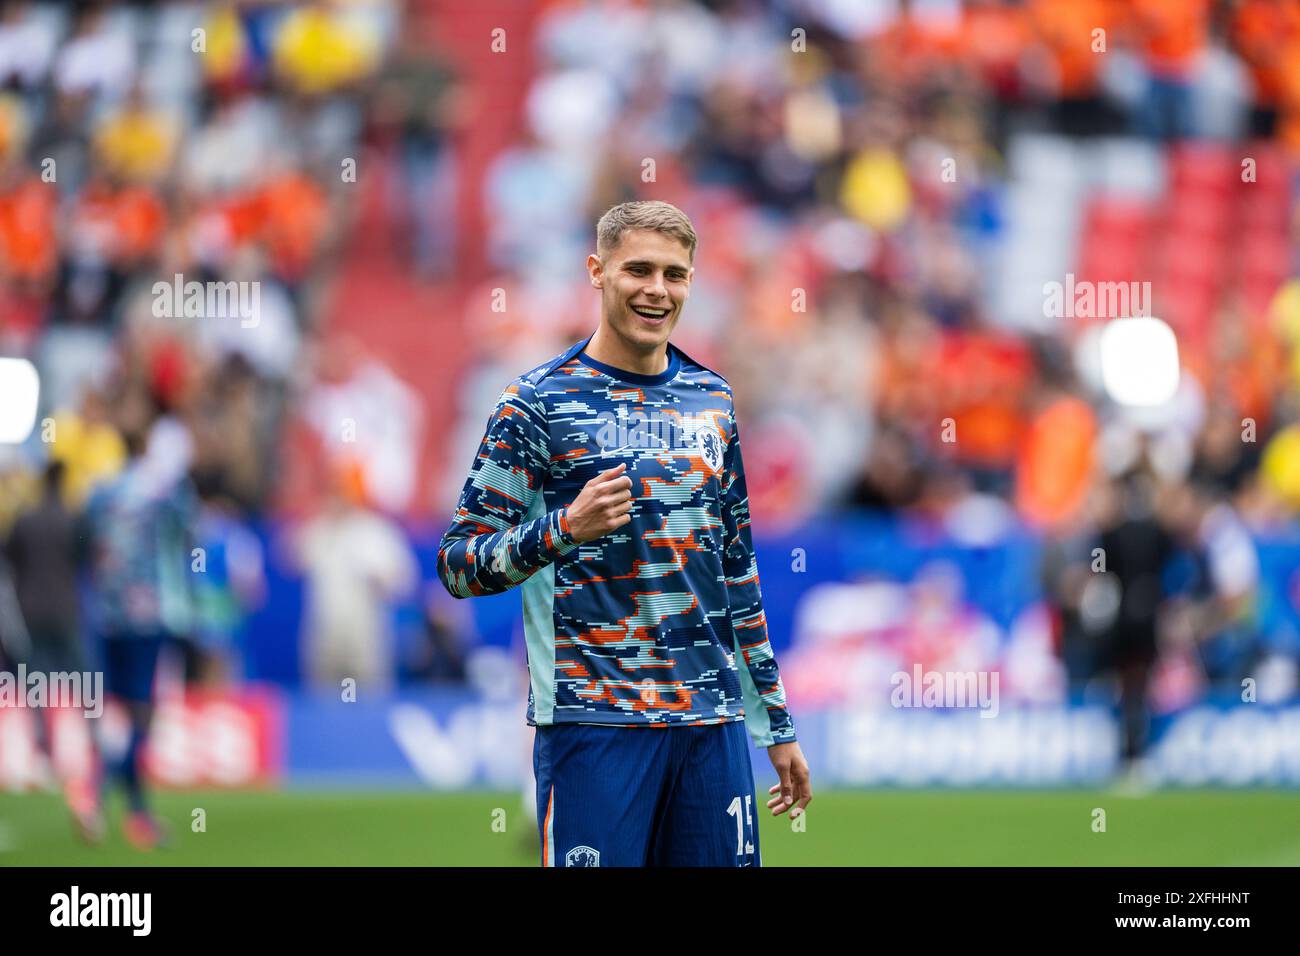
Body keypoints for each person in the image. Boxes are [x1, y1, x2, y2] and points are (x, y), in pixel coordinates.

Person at [437, 200, 811, 867]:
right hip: (594, 727)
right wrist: (559, 531)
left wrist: (775, 723)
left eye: (675, 275)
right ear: (596, 271)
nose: (656, 290)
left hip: (712, 729)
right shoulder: (535, 404)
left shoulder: (712, 401)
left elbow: (737, 573)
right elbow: (458, 564)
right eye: (638, 269)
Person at [81, 411, 198, 850]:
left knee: (121, 712)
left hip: (107, 614)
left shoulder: (105, 490)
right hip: (152, 616)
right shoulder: (171, 491)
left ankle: (137, 815)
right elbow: (191, 538)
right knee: (144, 714)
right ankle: (94, 787)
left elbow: (88, 542)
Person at [3, 459, 101, 838]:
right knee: (82, 679)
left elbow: (10, 561)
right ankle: (92, 741)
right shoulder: (73, 519)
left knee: (37, 683)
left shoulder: (25, 520)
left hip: (31, 611)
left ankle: (45, 751)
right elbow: (85, 561)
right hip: (66, 610)